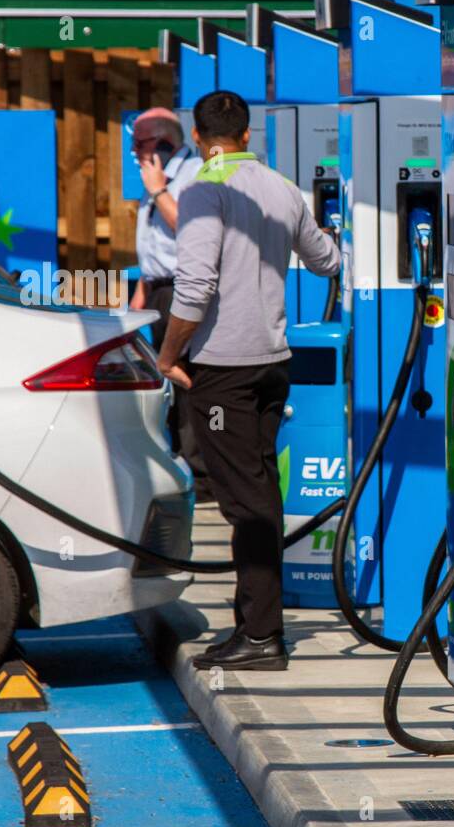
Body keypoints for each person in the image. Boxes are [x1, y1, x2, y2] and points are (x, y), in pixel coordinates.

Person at [156, 90, 340, 671]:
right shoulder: (282, 188)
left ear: (196, 135)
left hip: (224, 370)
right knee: (258, 488)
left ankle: (261, 635)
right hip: (271, 362)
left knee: (246, 503)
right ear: (247, 135)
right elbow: (328, 261)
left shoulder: (204, 191)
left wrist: (166, 355)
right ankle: (257, 626)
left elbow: (194, 288)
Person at [129, 106, 211, 500]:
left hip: (186, 288)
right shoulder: (152, 184)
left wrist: (160, 190)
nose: (133, 150)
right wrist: (137, 303)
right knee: (167, 382)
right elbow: (153, 254)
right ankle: (181, 461)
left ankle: (204, 474)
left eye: (140, 142)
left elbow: (191, 231)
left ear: (163, 143)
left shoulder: (192, 177)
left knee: (188, 376)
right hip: (159, 290)